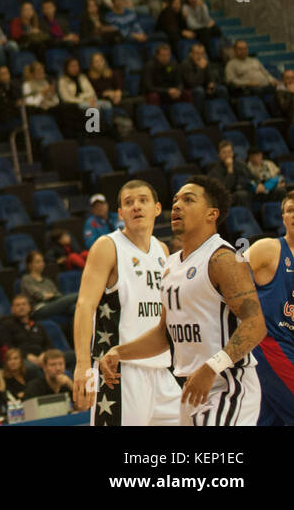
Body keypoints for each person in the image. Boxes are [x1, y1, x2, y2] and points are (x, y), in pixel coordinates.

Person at [101, 176, 266, 426]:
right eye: (176, 199)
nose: (177, 205)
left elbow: (255, 323)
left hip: (227, 384)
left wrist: (212, 367)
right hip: (191, 387)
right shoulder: (170, 265)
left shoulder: (222, 258)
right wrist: (118, 352)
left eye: (188, 200)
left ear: (212, 214)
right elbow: (165, 334)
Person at [73, 178, 180, 426]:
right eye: (128, 203)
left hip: (162, 369)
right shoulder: (108, 246)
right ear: (120, 213)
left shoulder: (162, 250)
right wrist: (82, 365)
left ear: (157, 208)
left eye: (143, 200)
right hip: (120, 371)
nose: (136, 207)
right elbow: (84, 305)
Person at [244, 197, 294, 425]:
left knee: (268, 419)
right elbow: (228, 274)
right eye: (290, 210)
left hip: (289, 346)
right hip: (269, 343)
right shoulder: (269, 248)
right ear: (282, 217)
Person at [20, 250, 77, 319]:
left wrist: (49, 296)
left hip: (53, 305)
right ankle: (83, 295)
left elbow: (57, 295)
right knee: (76, 296)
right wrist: (47, 296)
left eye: (42, 261)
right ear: (30, 265)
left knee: (75, 308)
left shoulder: (47, 280)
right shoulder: (26, 279)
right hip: (38, 309)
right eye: (38, 262)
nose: (42, 264)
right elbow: (38, 296)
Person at [207, 140, 253, 212]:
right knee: (242, 195)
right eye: (224, 152)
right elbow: (224, 189)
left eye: (229, 152)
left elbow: (251, 176)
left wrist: (259, 184)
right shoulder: (215, 171)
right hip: (228, 196)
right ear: (219, 155)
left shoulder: (240, 165)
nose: (227, 155)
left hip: (245, 189)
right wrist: (230, 170)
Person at [145, 43, 191, 107]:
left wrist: (178, 90)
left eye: (168, 55)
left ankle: (188, 114)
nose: (166, 58)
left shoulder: (174, 64)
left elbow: (180, 82)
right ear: (157, 56)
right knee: (153, 96)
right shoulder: (149, 66)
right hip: (159, 92)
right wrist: (167, 91)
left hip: (171, 92)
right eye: (163, 55)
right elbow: (149, 87)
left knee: (187, 93)